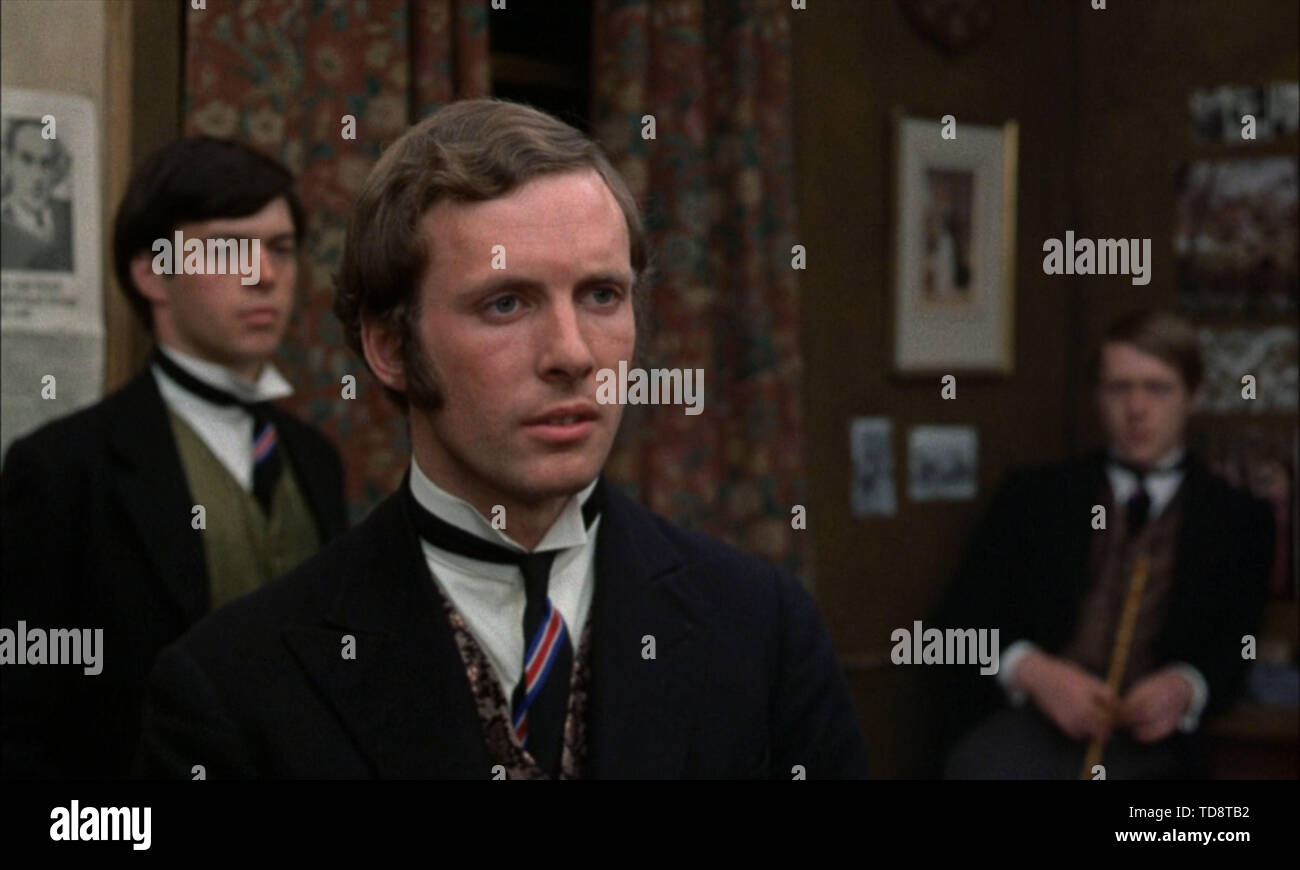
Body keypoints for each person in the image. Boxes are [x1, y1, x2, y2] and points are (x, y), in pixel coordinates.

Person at [133, 99, 869, 779]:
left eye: (601, 295)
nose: (573, 353)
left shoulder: (761, 629)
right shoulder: (237, 686)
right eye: (506, 303)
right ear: (391, 344)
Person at [1, 137, 348, 778]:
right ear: (152, 273)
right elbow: (19, 722)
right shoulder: (63, 470)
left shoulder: (314, 460)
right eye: (229, 248)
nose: (265, 274)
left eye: (279, 248)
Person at [932, 309, 1272, 779]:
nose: (1137, 408)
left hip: (1155, 750)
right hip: (1030, 732)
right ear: (1098, 396)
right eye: (1119, 388)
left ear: (1192, 396)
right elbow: (956, 623)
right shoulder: (1034, 496)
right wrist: (1034, 673)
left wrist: (1187, 686)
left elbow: (1239, 646)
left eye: (1157, 388)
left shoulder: (1239, 518)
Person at [1, 117, 73, 272]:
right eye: (26, 160)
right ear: (8, 162)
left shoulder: (70, 216)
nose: (37, 176)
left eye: (45, 163)